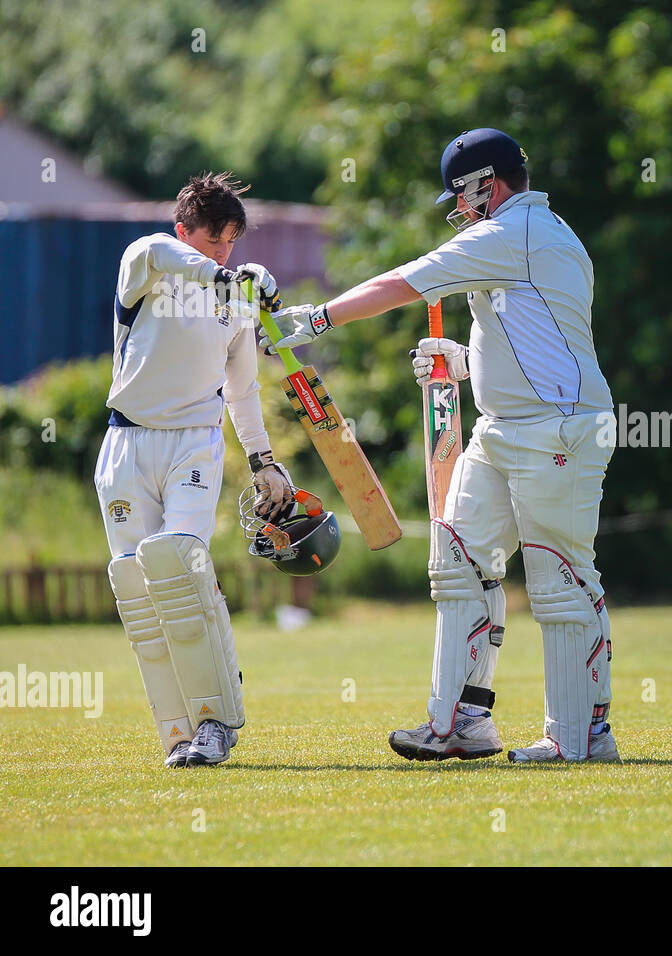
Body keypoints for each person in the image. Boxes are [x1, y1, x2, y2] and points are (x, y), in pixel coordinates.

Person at [263, 128, 618, 762]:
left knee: (561, 581)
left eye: (462, 193)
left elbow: (405, 282)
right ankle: (460, 722)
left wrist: (315, 319)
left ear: (490, 185)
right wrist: (459, 362)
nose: (458, 208)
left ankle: (580, 737)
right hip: (504, 427)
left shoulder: (511, 234)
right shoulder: (539, 238)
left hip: (557, 430)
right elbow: (537, 336)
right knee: (457, 557)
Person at [96, 171, 294, 767]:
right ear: (186, 229)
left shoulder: (233, 299)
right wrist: (223, 275)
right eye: (215, 239)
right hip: (126, 445)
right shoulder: (146, 262)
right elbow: (160, 252)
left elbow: (241, 390)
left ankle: (215, 725)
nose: (225, 252)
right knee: (138, 587)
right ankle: (178, 735)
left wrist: (262, 460)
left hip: (194, 445)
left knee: (180, 568)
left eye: (233, 241)